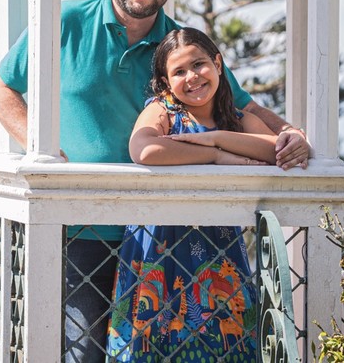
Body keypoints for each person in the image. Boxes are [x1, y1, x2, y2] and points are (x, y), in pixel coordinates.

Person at [0, 0, 310, 362]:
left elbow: (245, 108)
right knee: (85, 352)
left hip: (165, 232)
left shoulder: (180, 49)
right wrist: (44, 153)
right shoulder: (64, 22)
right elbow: (1, 89)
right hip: (82, 226)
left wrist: (291, 134)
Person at [106, 27, 275, 362]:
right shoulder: (164, 112)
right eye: (179, 72)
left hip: (219, 247)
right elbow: (144, 149)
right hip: (159, 247)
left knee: (224, 342)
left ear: (217, 64)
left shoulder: (237, 121)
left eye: (198, 64)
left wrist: (216, 139)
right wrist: (214, 156)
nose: (192, 77)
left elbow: (273, 149)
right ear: (166, 83)